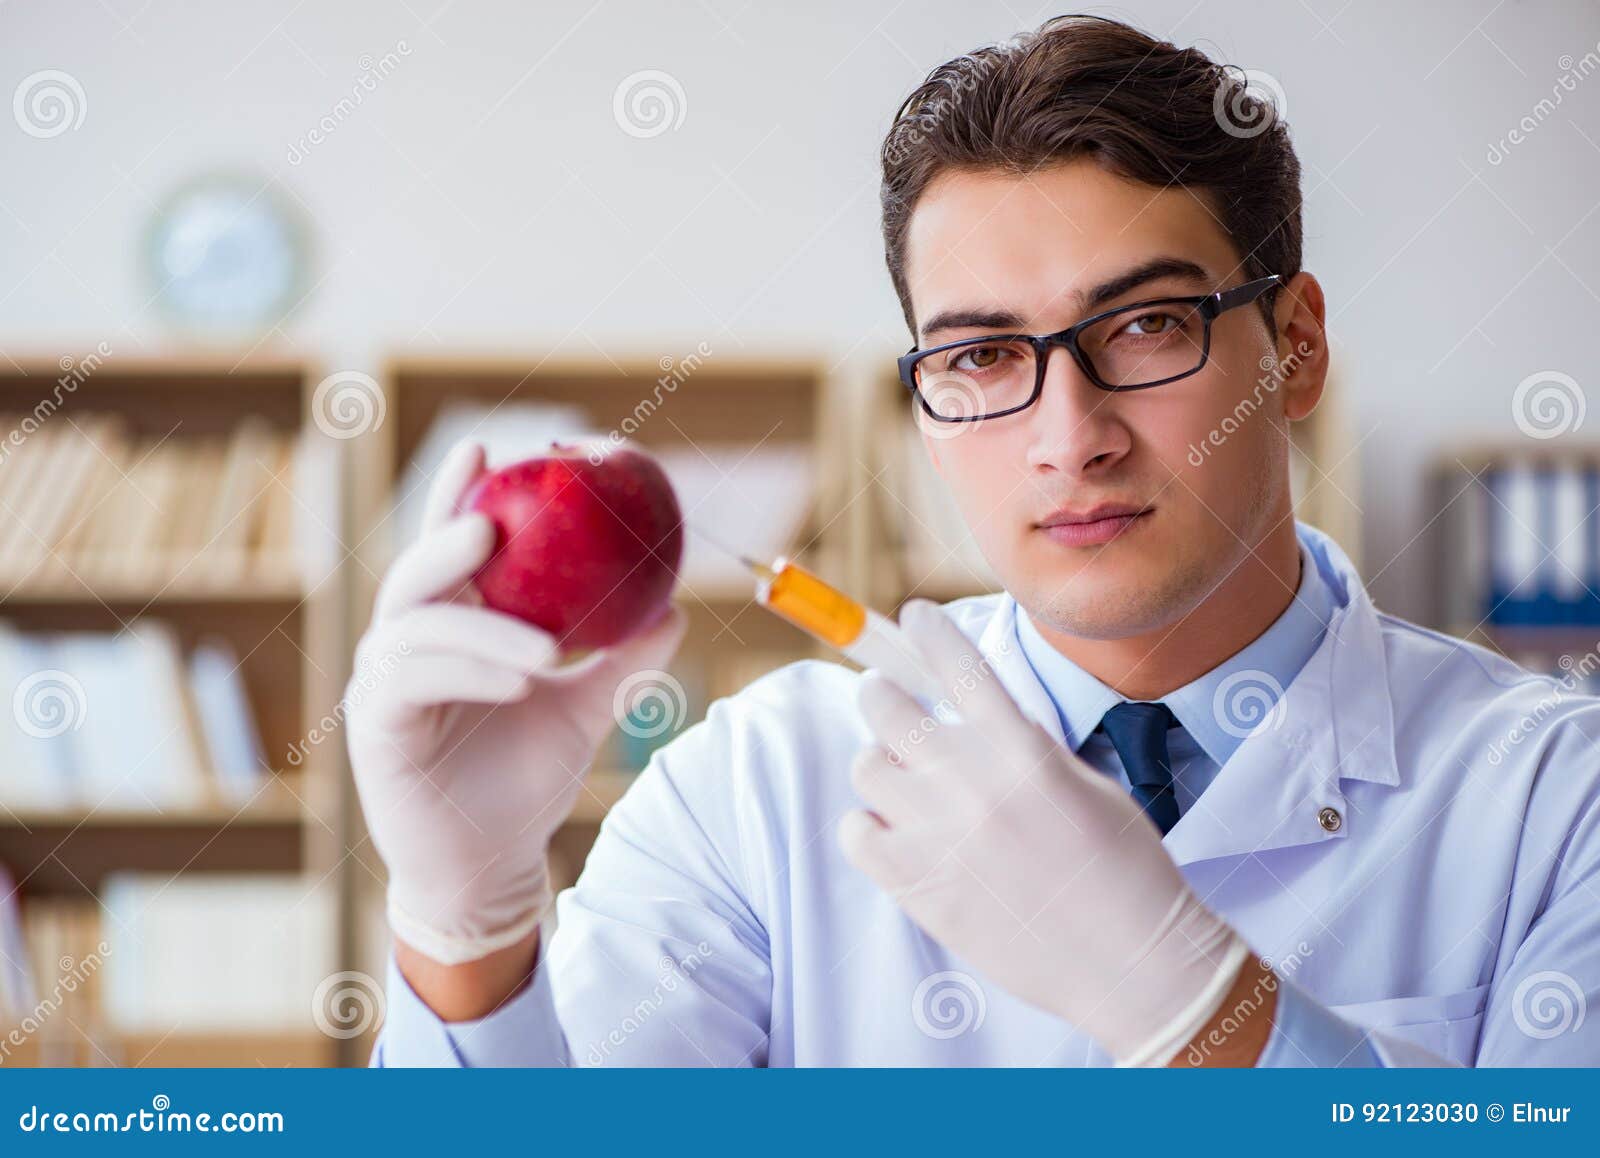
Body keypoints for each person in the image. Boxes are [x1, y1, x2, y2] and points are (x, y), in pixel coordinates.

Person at [349, 14, 1600, 1067]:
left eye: (1149, 326)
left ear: (1298, 347)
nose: (1070, 436)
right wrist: (467, 934)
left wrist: (1206, 1014)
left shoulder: (1556, 800)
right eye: (983, 355)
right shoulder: (753, 796)